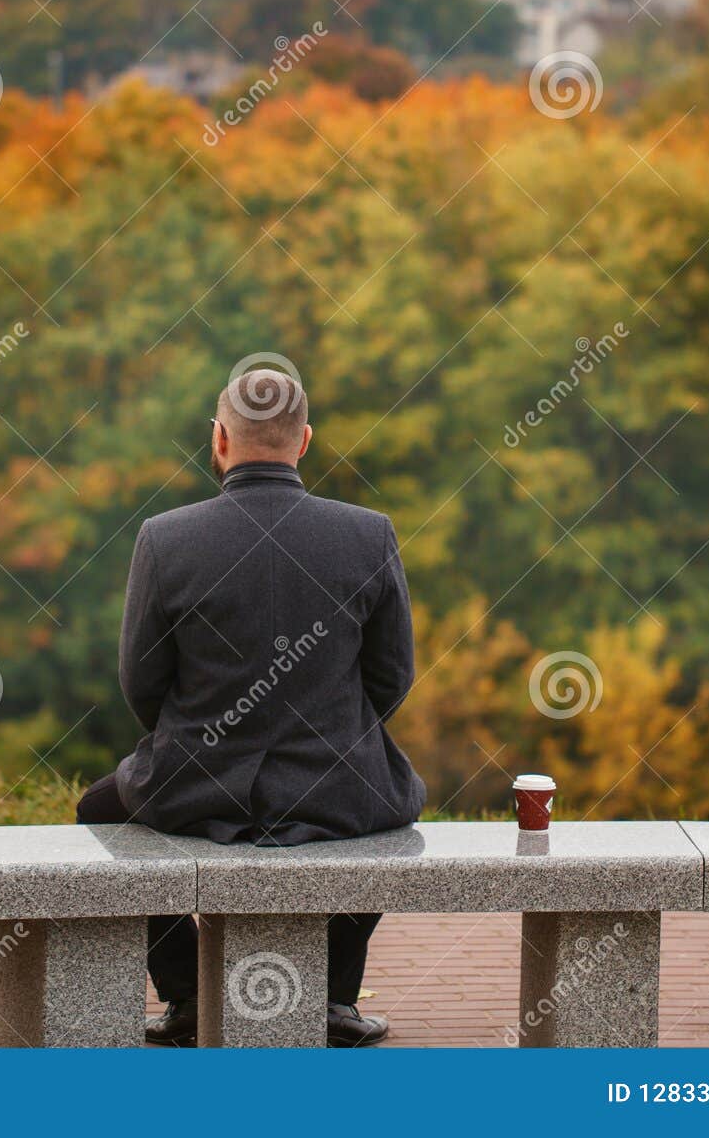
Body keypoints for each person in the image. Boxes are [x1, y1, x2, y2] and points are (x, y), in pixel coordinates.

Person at [75, 368, 425, 1048]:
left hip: (196, 780)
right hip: (338, 783)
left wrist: (194, 738)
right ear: (304, 443)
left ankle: (186, 997)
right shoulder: (368, 533)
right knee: (394, 805)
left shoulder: (165, 537)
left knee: (99, 811)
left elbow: (141, 683)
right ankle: (330, 997)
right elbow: (393, 676)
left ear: (220, 441)